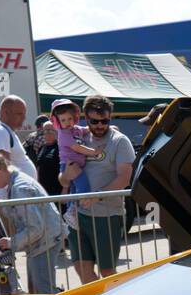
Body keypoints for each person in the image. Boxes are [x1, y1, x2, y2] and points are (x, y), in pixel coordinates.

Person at [0, 144, 64, 295]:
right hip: (42, 242)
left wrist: (11, 242)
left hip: (44, 242)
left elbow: (35, 228)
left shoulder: (20, 188)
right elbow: (24, 216)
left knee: (44, 292)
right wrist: (3, 206)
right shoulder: (15, 182)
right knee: (37, 291)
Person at [72, 95, 136, 283]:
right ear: (85, 117)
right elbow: (63, 175)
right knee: (81, 268)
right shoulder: (79, 138)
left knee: (107, 271)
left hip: (107, 216)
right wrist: (66, 175)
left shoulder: (120, 141)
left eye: (105, 121)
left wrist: (96, 197)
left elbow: (124, 178)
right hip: (78, 214)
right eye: (94, 121)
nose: (100, 125)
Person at [0, 95, 39, 189]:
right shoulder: (0, 132)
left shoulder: (5, 131)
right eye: (19, 114)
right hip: (11, 198)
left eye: (24, 114)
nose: (24, 117)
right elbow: (1, 171)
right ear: (5, 112)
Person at [49, 98, 89, 195]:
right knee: (83, 186)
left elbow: (87, 129)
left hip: (77, 163)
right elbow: (77, 148)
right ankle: (83, 200)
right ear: (57, 121)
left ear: (75, 117)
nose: (67, 122)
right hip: (69, 164)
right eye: (63, 120)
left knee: (75, 189)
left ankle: (72, 207)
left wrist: (110, 127)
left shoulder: (76, 129)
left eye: (70, 119)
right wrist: (95, 151)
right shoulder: (63, 134)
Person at [34, 120, 61, 197]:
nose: (47, 133)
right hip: (44, 191)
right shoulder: (42, 148)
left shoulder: (60, 148)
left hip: (57, 191)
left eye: (49, 130)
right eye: (45, 130)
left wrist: (65, 190)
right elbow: (39, 167)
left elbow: (65, 169)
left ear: (56, 131)